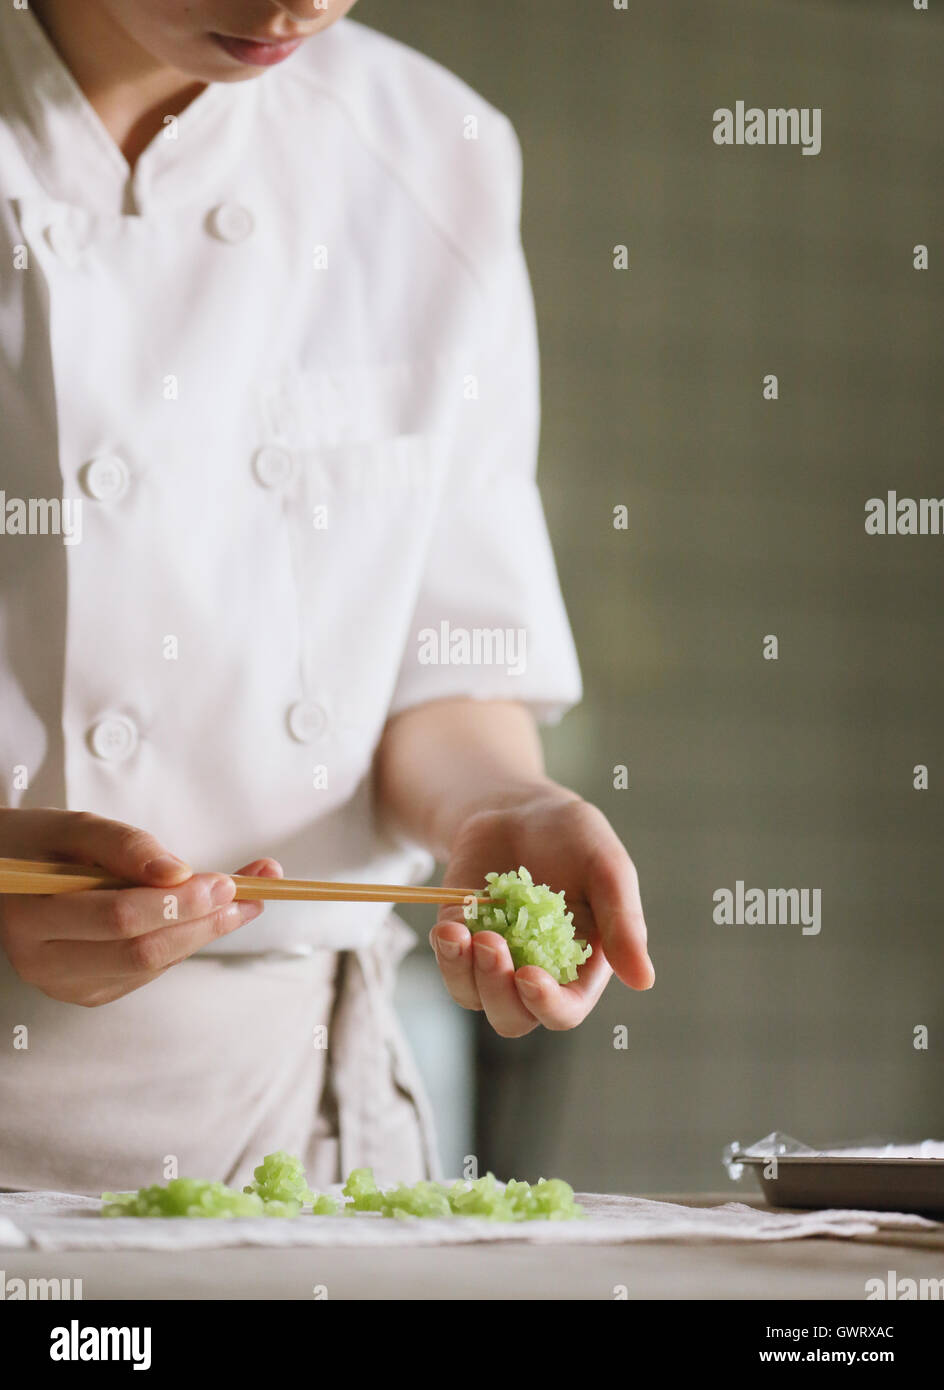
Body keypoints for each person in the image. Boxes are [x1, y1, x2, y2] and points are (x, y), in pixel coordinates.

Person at [0, 0, 654, 1196]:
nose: (292, 3)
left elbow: (440, 665)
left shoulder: (430, 153)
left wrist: (494, 803)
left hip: (284, 1126)